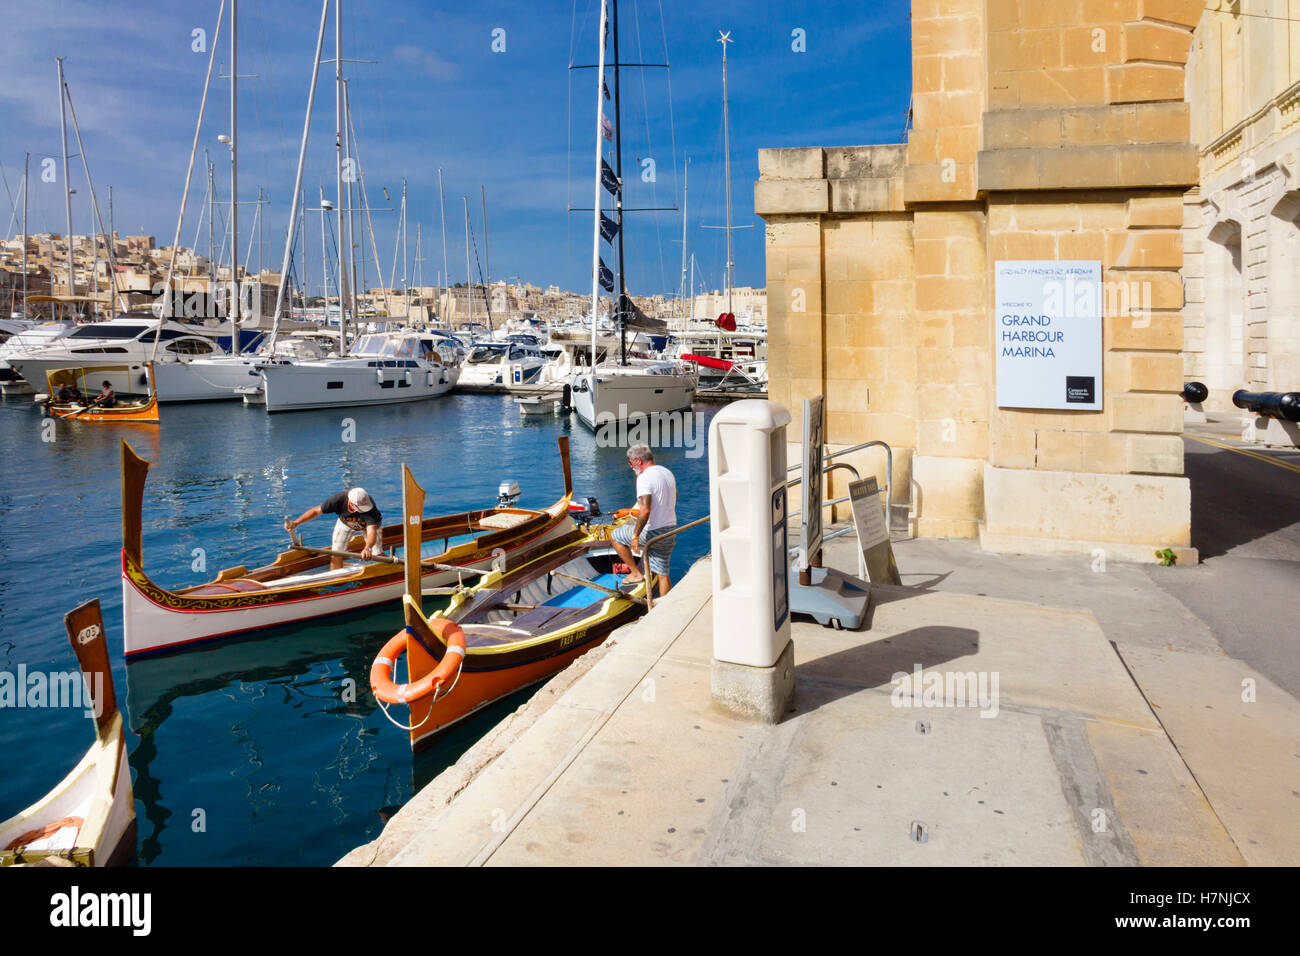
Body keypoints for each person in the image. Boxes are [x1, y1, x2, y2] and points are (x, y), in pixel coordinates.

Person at [611, 444, 677, 597]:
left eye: (630, 462)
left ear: (638, 461)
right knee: (663, 575)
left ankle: (635, 574)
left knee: (615, 536)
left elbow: (645, 510)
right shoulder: (667, 473)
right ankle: (666, 608)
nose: (630, 465)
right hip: (670, 530)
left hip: (653, 532)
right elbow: (675, 496)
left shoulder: (644, 478)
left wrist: (635, 536)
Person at [284, 487, 382, 570]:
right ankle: (336, 580)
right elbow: (315, 511)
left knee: (377, 554)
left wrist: (367, 548)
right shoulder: (337, 500)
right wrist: (296, 522)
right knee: (336, 553)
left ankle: (387, 571)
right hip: (346, 522)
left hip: (367, 527)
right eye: (361, 507)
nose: (365, 508)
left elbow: (371, 531)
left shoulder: (370, 506)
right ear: (351, 504)